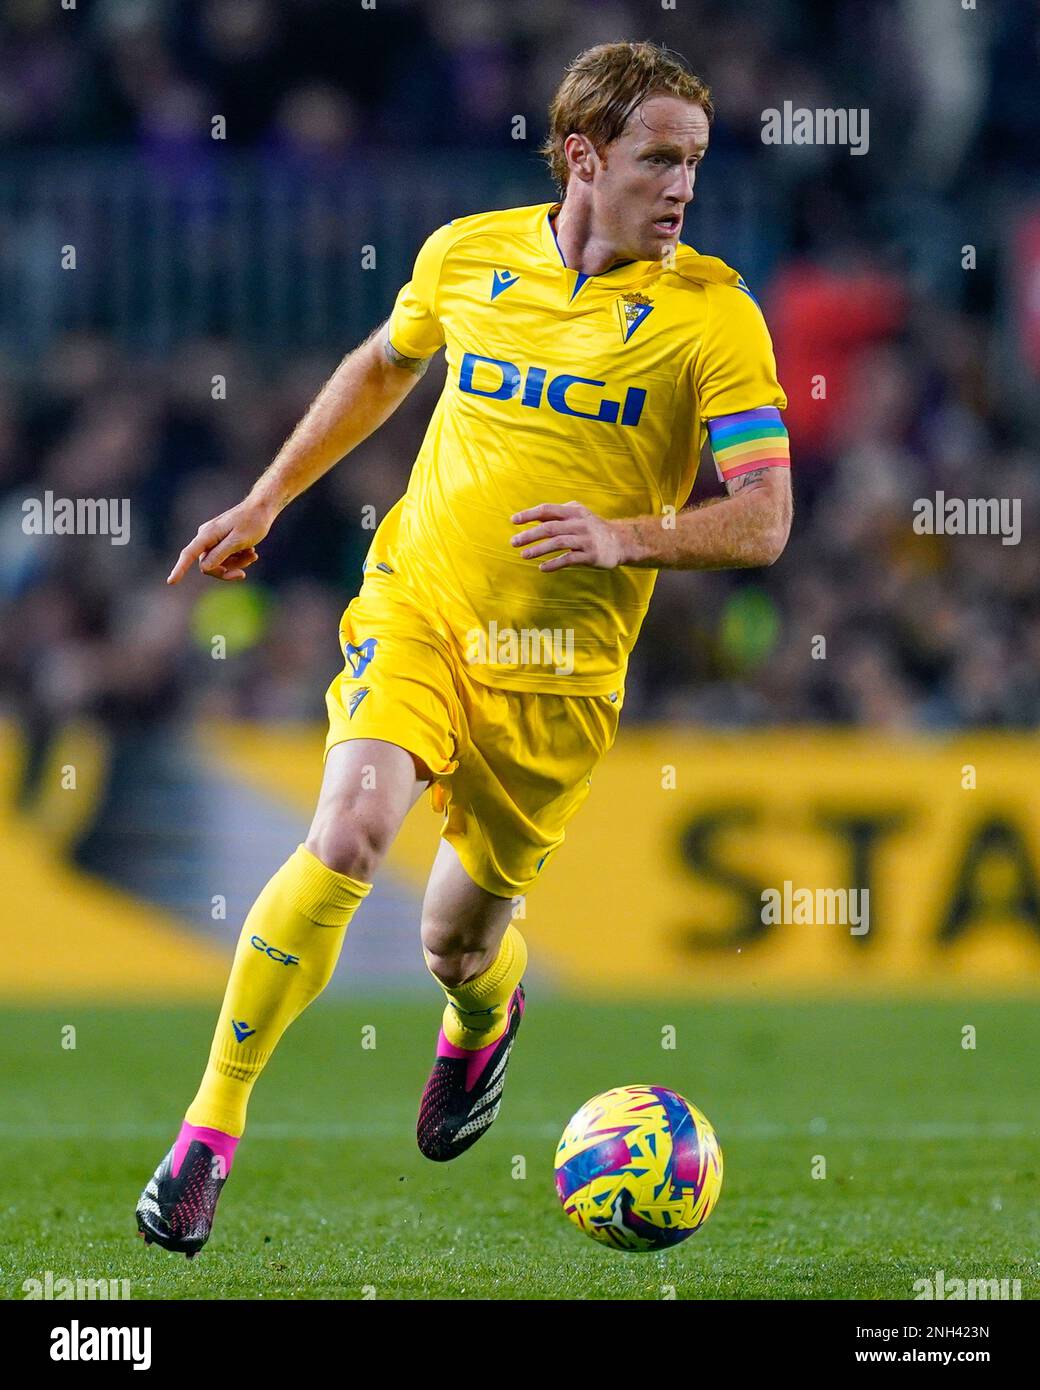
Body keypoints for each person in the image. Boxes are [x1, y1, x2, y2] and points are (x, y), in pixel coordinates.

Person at [135, 40, 792, 1257]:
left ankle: (482, 1014)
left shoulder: (710, 317)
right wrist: (268, 499)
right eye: (660, 158)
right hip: (422, 606)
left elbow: (763, 516)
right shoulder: (467, 253)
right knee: (346, 832)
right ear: (583, 157)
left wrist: (626, 534)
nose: (682, 186)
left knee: (455, 938)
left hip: (556, 673)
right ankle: (206, 1136)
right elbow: (384, 367)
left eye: (694, 161)